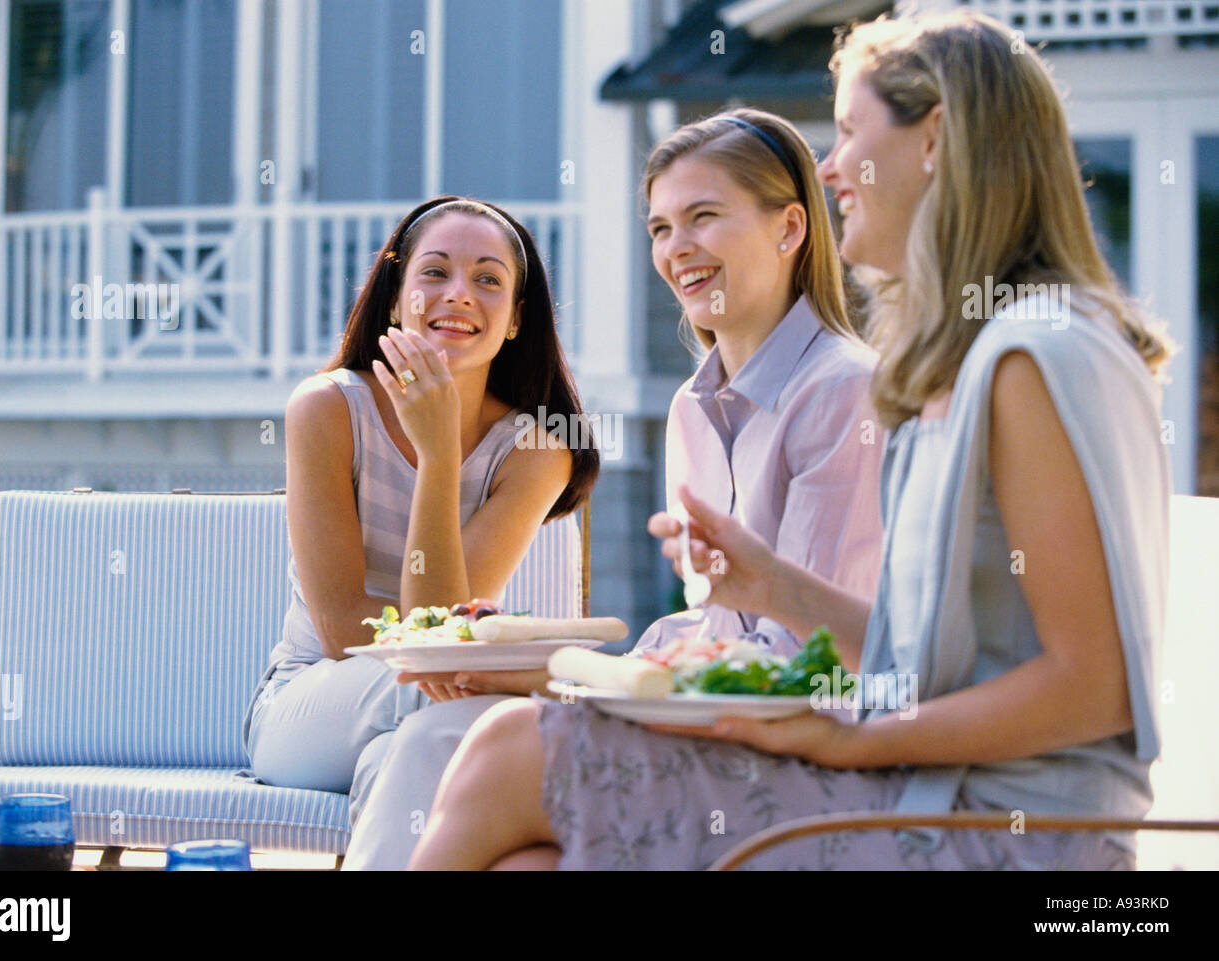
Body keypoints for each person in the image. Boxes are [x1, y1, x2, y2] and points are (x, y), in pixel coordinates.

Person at [407, 9, 1174, 871]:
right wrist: (773, 585)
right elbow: (919, 662)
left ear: (935, 140)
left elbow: (1093, 689)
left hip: (999, 832)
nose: (830, 165)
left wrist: (852, 743)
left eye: (849, 132)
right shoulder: (972, 358)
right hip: (934, 789)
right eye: (661, 226)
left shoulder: (1034, 354)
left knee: (511, 751)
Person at [341, 108, 885, 868]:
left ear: (790, 228)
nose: (676, 249)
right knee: (507, 836)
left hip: (810, 753)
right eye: (661, 227)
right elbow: (714, 629)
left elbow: (811, 666)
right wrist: (548, 666)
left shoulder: (842, 394)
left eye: (703, 217)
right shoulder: (693, 408)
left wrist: (579, 678)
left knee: (467, 734)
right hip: (722, 723)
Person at [239, 196, 598, 806]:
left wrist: (465, 657)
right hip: (307, 703)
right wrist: (437, 458)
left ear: (515, 318)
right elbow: (346, 628)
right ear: (396, 296)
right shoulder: (328, 409)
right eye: (434, 272)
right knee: (489, 690)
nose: (458, 293)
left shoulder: (538, 448)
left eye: (488, 279)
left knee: (413, 752)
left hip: (444, 698)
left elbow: (444, 629)